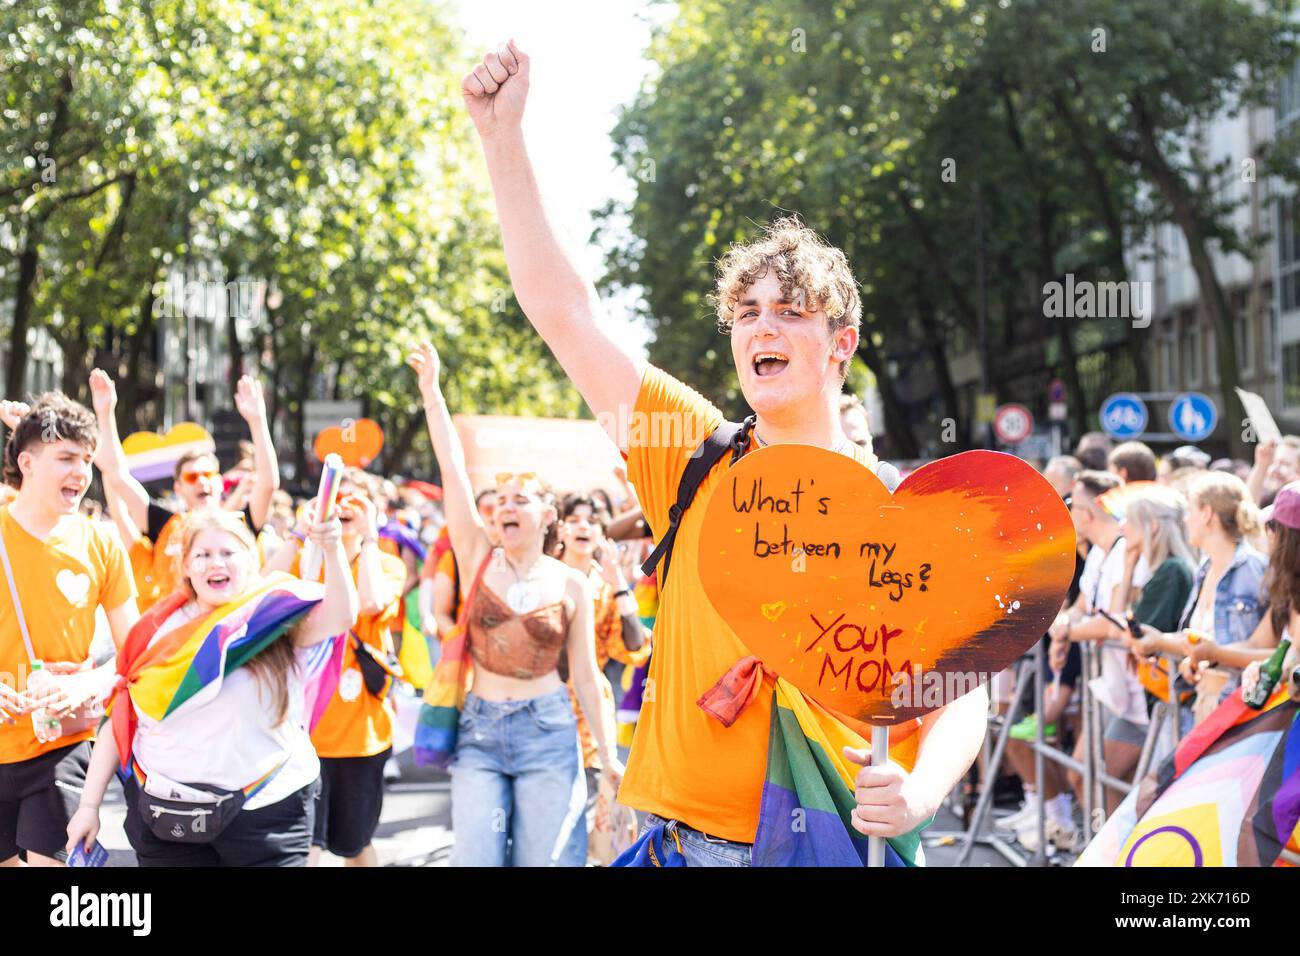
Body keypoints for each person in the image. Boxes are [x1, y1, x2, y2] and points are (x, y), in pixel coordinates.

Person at [459, 40, 988, 866]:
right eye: (745, 312)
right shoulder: (690, 450)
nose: (762, 327)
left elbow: (963, 689)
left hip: (828, 847)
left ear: (840, 341)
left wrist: (922, 790)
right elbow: (566, 314)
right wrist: (502, 142)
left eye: (789, 311)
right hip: (675, 845)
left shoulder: (899, 513)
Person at [410, 341, 621, 867]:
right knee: (477, 859)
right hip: (478, 731)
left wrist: (611, 757)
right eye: (500, 500)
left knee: (545, 861)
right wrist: (432, 393)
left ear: (548, 515)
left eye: (520, 499)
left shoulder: (572, 584)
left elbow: (589, 677)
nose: (505, 506)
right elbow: (452, 469)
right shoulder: (475, 554)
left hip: (549, 732)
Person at [66, 508, 358, 866]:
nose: (215, 563)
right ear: (186, 565)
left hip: (267, 813)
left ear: (250, 558)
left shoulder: (275, 613)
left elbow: (342, 615)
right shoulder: (155, 629)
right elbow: (121, 715)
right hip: (167, 818)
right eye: (202, 555)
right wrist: (89, 806)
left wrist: (332, 547)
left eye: (227, 553)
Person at [0, 395, 139, 867]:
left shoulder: (100, 542)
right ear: (27, 462)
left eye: (86, 459)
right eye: (65, 458)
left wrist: (88, 681)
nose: (81, 472)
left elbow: (135, 650)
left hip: (62, 742)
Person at [264, 479, 407, 867]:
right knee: (303, 845)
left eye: (356, 500)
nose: (344, 505)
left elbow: (370, 600)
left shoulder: (384, 563)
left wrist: (370, 534)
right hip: (299, 733)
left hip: (361, 737)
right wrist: (299, 532)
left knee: (355, 845)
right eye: (336, 496)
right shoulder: (303, 561)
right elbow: (261, 587)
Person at [90, 369, 279, 610]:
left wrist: (257, 420)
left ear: (220, 482)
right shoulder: (167, 525)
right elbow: (117, 476)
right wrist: (105, 414)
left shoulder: (241, 523)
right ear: (178, 488)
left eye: (208, 475)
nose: (202, 481)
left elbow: (268, 484)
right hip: (178, 638)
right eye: (192, 476)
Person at [1050, 471, 1151, 816]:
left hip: (1136, 696)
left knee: (1097, 778)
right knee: (1086, 775)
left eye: (1072, 506)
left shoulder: (1126, 554)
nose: (1068, 514)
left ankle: (1120, 853)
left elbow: (1110, 626)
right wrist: (1062, 632)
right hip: (1110, 690)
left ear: (1089, 512)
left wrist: (1064, 634)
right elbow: (1078, 611)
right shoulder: (1097, 555)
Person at [1247, 435, 1300, 508]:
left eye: (1285, 464)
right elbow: (1248, 509)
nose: (1275, 469)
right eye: (1274, 462)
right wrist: (1261, 465)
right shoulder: (1269, 499)